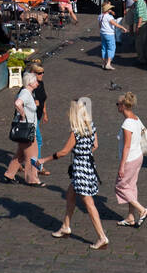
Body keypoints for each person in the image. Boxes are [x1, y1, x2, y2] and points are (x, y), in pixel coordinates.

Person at [45, 97, 109, 250]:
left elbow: (63, 152)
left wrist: (43, 160)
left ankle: (102, 237)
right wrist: (85, 152)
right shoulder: (91, 126)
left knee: (89, 204)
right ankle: (65, 226)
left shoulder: (76, 131)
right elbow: (95, 145)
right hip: (88, 164)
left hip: (80, 168)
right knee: (70, 195)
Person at [114, 92, 147, 227]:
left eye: (118, 104)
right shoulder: (136, 118)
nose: (116, 106)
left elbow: (126, 146)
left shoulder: (127, 123)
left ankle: (142, 210)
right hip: (138, 156)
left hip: (130, 159)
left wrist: (122, 166)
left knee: (120, 187)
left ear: (123, 106)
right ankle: (130, 217)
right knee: (131, 186)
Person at [1, 73, 43, 185]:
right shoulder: (25, 93)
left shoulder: (28, 93)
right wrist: (23, 115)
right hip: (27, 129)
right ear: (29, 82)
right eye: (35, 81)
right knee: (32, 156)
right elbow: (18, 103)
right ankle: (32, 180)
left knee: (20, 154)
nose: (37, 83)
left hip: (27, 129)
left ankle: (9, 175)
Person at [27, 59, 48, 169]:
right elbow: (21, 99)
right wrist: (33, 102)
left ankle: (17, 164)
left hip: (38, 117)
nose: (42, 75)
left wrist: (45, 113)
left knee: (26, 142)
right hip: (31, 118)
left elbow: (44, 99)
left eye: (43, 72)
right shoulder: (29, 86)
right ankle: (38, 166)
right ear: (33, 74)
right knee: (38, 140)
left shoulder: (41, 83)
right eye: (40, 73)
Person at [127, 0, 147, 64]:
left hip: (142, 24)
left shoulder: (140, 3)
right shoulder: (137, 2)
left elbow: (140, 17)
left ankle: (142, 59)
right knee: (144, 42)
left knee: (139, 43)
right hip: (143, 24)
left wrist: (137, 27)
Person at [99, 7, 124, 71]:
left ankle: (104, 63)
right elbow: (115, 24)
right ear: (108, 10)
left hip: (102, 33)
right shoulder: (109, 17)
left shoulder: (100, 16)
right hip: (109, 34)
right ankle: (108, 64)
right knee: (111, 48)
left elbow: (99, 25)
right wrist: (123, 27)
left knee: (104, 48)